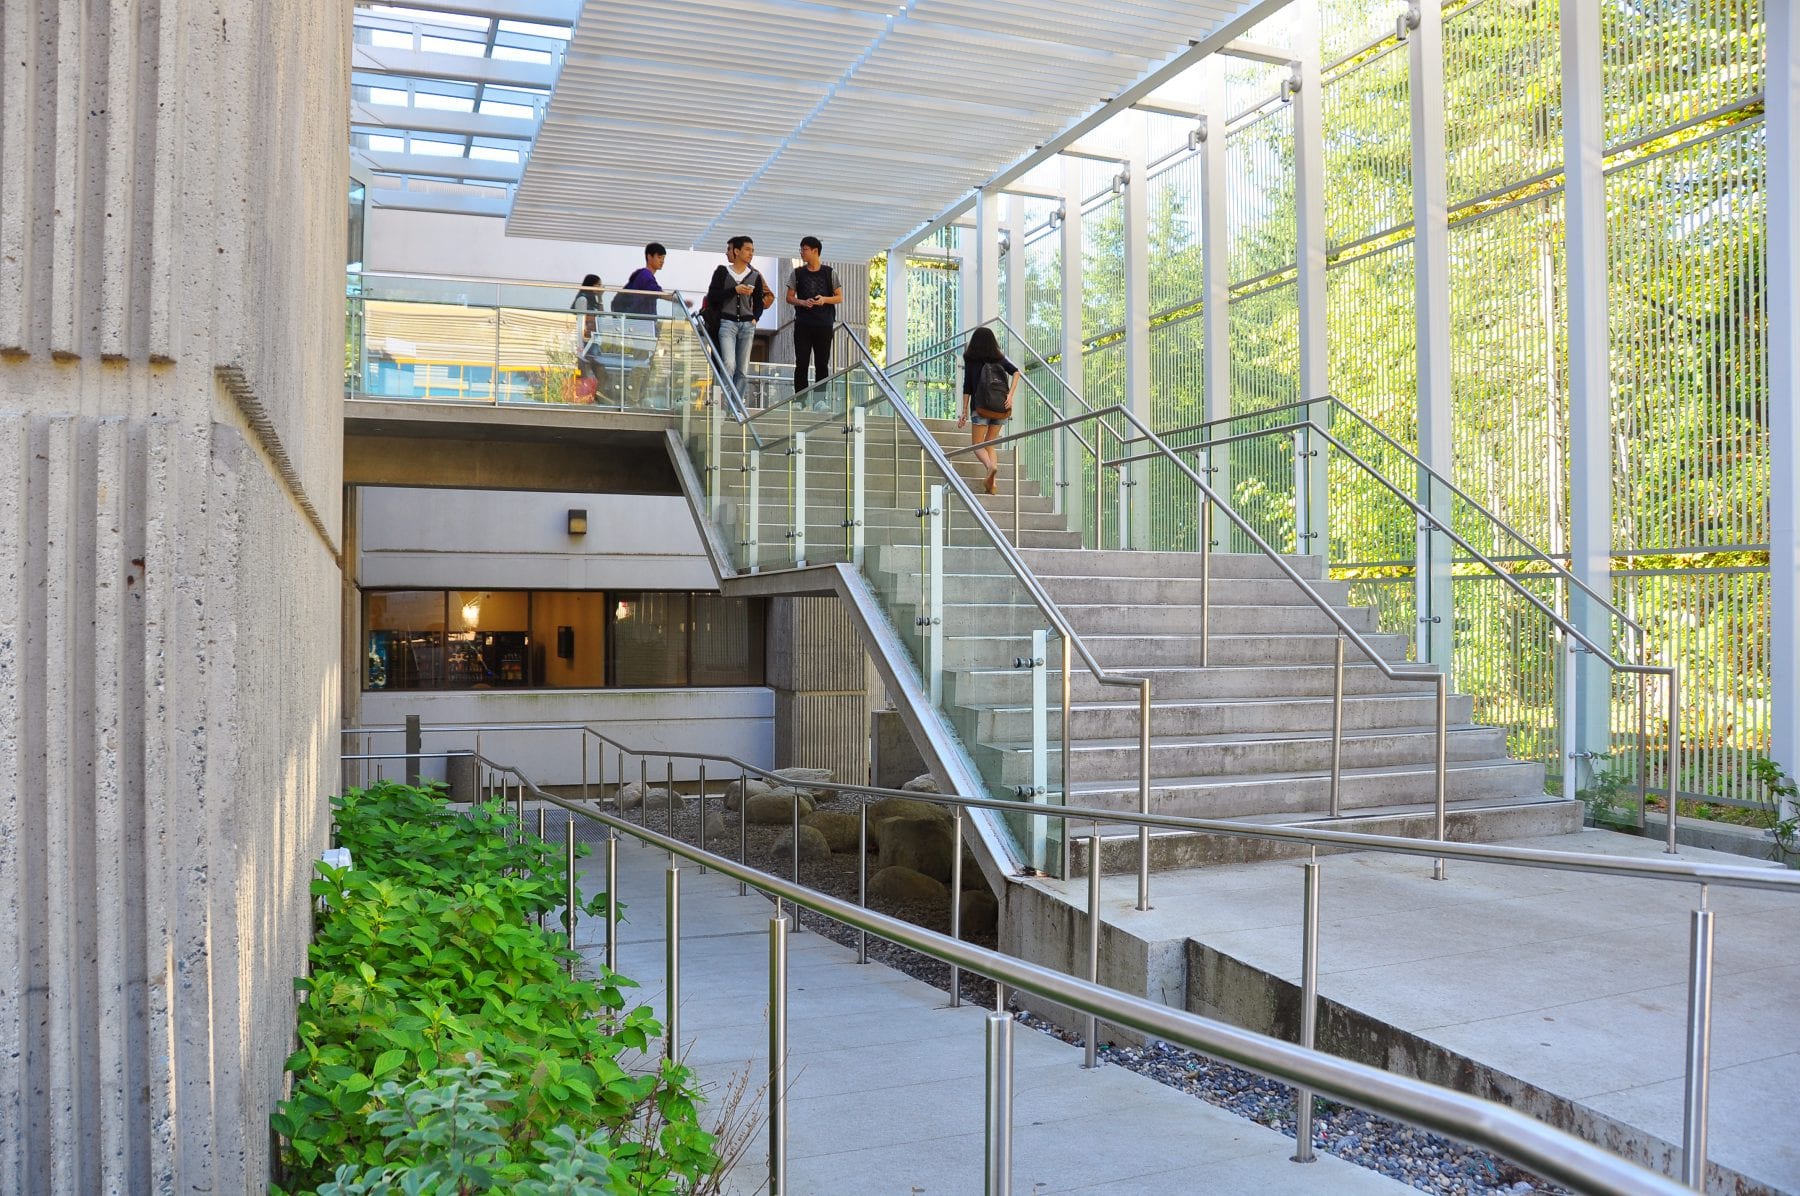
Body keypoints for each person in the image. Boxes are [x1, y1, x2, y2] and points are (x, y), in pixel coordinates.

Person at [704, 236, 772, 398]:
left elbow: (759, 302)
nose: (751, 253)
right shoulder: (722, 272)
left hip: (748, 325)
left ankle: (735, 405)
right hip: (727, 323)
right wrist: (735, 290)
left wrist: (756, 318)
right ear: (737, 251)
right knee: (728, 364)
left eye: (752, 250)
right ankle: (722, 402)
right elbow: (712, 296)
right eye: (747, 250)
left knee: (742, 368)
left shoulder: (754, 276)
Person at [957, 326, 1019, 495]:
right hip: (1000, 408)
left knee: (977, 445)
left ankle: (991, 467)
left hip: (981, 407)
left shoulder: (971, 358)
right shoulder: (999, 357)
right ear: (993, 342)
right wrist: (1010, 396)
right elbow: (1017, 372)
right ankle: (992, 485)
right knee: (989, 443)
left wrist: (964, 411)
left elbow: (967, 386)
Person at [786, 235, 842, 396]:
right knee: (801, 362)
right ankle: (800, 399)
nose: (801, 253)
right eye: (801, 250)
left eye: (804, 250)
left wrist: (824, 299)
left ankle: (820, 399)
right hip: (803, 324)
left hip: (824, 324)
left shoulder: (830, 272)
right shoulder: (796, 273)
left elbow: (839, 297)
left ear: (815, 251)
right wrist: (803, 302)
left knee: (822, 363)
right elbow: (789, 297)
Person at [614, 242, 668, 405]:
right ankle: (633, 399)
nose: (662, 261)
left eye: (663, 258)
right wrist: (673, 299)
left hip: (645, 326)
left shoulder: (644, 276)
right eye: (659, 257)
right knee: (641, 362)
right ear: (649, 257)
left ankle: (637, 398)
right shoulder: (645, 275)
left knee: (645, 363)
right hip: (642, 326)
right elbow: (655, 291)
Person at [569, 273, 607, 401]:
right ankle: (587, 398)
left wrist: (600, 299)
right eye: (598, 285)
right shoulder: (583, 299)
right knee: (589, 373)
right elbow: (581, 322)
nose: (600, 288)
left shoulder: (594, 301)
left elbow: (601, 318)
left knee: (600, 373)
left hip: (593, 343)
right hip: (585, 344)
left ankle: (594, 397)